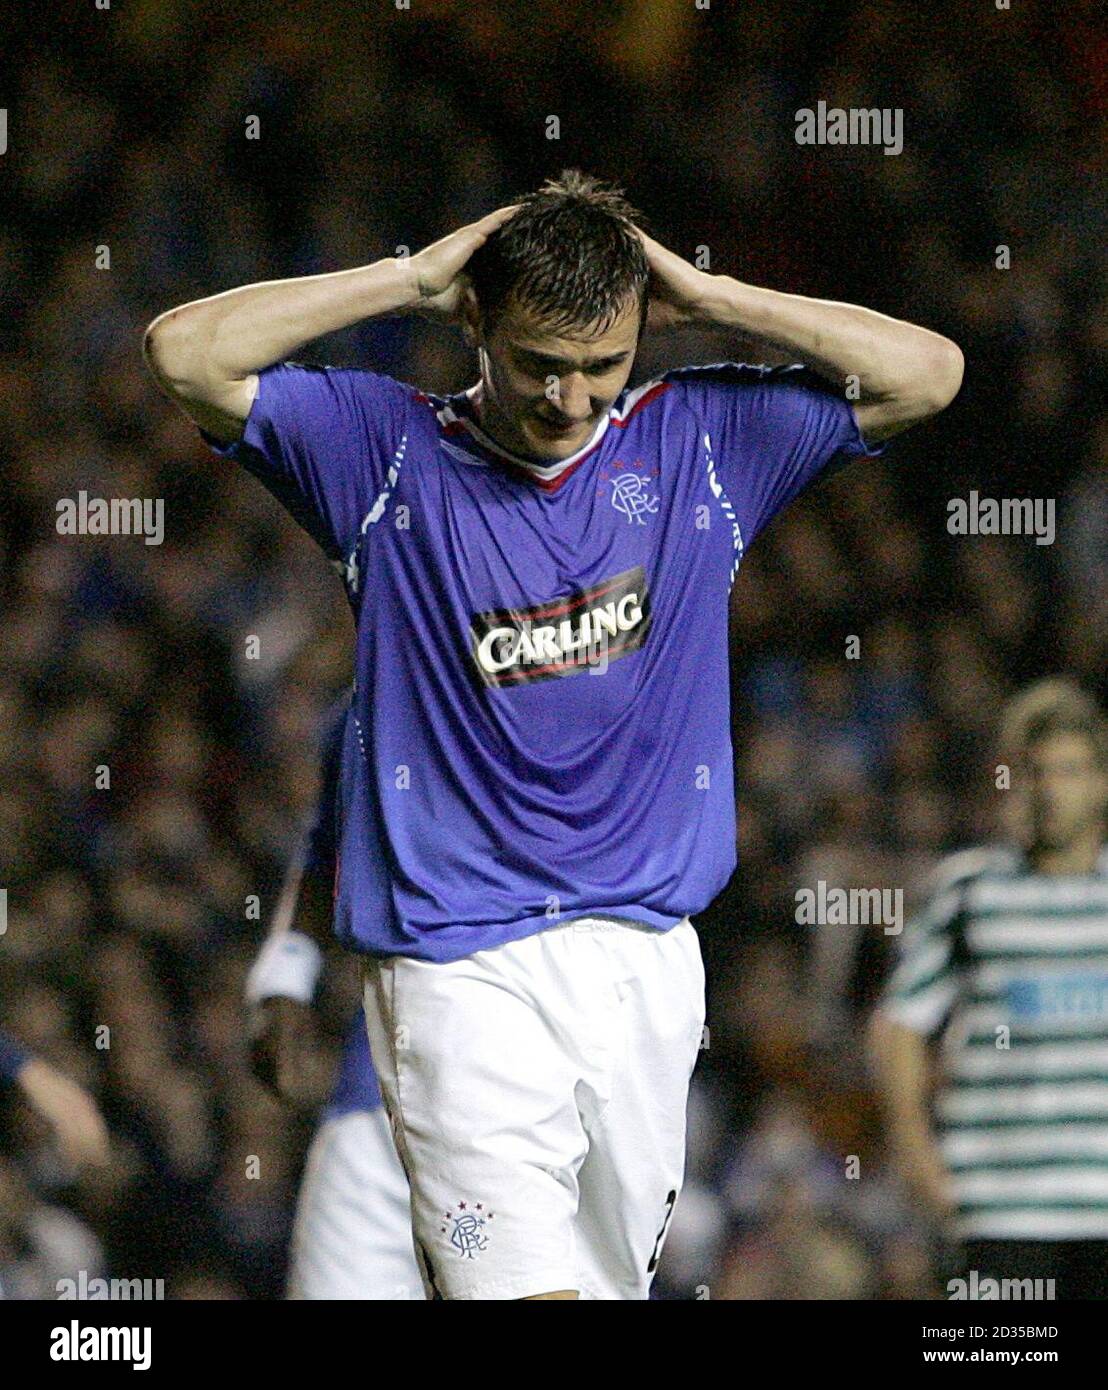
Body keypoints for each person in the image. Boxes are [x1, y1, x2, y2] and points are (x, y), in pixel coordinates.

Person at [144, 169, 962, 1300]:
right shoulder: (381, 451)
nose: (569, 398)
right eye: (538, 363)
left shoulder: (701, 446)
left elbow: (932, 374)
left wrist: (715, 298)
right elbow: (187, 354)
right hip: (455, 960)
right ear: (474, 322)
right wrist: (408, 278)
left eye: (602, 365)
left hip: (644, 961)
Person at [871, 679, 1108, 1299]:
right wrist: (918, 1157)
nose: (1052, 789)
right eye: (1036, 772)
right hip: (998, 1209)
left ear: (1101, 783)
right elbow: (900, 1025)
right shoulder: (969, 891)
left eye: (1070, 771)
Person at [247, 690, 422, 1299]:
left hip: (539, 1101)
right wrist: (285, 979)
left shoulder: (577, 687)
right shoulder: (365, 710)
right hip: (377, 1098)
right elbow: (326, 851)